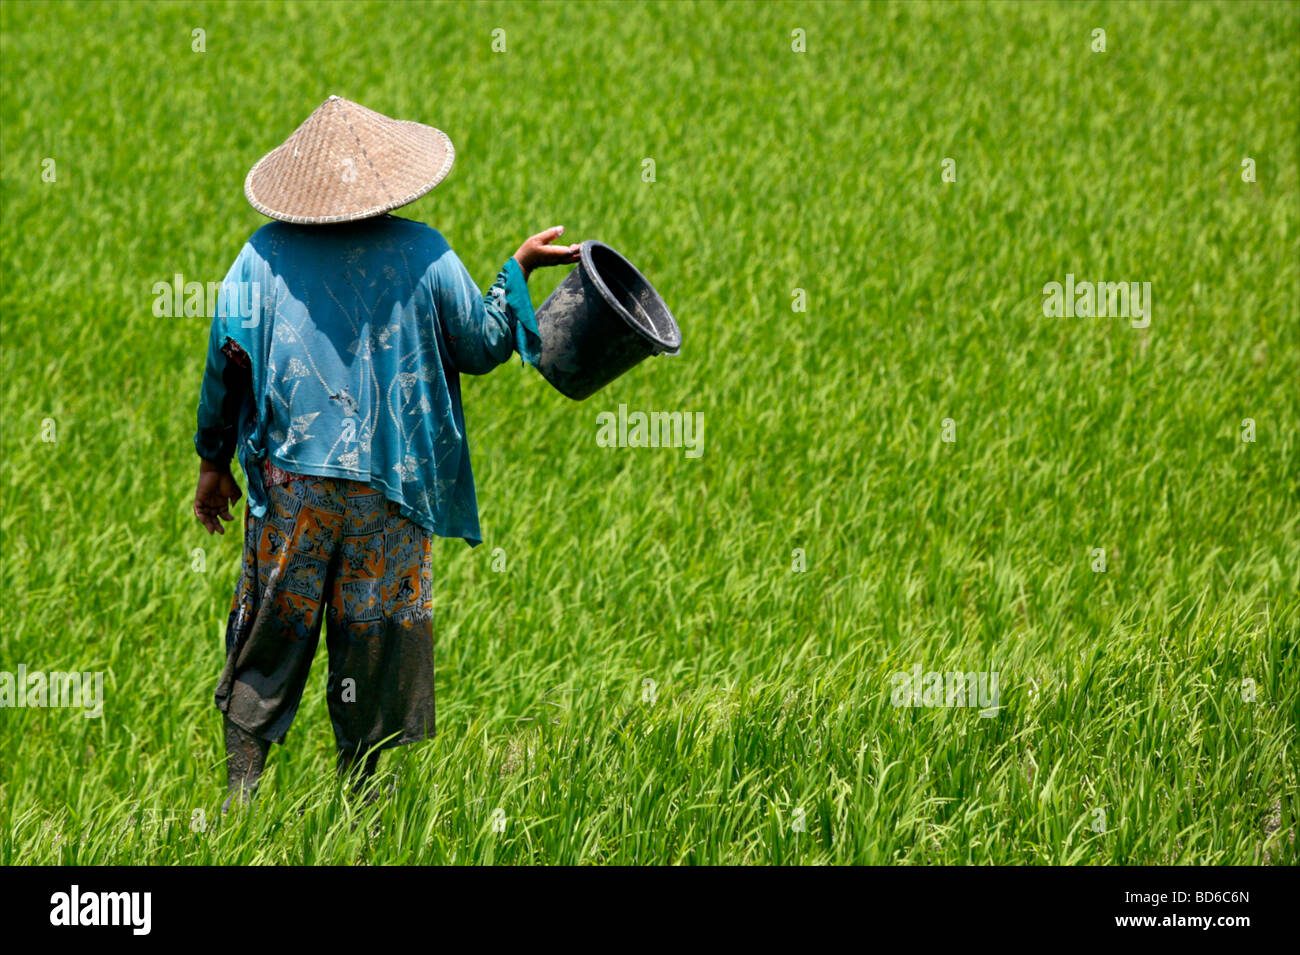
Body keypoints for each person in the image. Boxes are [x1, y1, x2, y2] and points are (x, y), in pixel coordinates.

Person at [192, 95, 579, 810]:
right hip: (389, 494)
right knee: (371, 648)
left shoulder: (259, 256)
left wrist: (213, 465)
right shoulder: (426, 252)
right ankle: (363, 821)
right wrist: (516, 270)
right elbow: (484, 342)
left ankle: (236, 807)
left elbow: (229, 362)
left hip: (293, 489)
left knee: (270, 633)